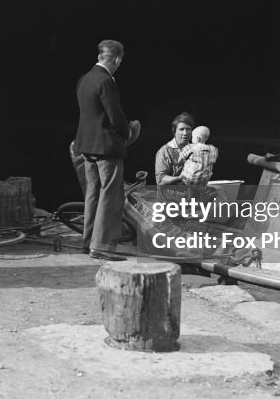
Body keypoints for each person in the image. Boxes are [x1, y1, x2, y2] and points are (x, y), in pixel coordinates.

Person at [73, 39, 139, 261]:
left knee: (92, 193)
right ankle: (101, 246)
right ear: (117, 59)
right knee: (111, 195)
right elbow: (115, 115)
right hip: (106, 147)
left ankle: (87, 241)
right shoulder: (106, 81)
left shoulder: (84, 79)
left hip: (86, 145)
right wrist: (127, 131)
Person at [154, 112, 195, 188]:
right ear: (174, 132)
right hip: (170, 195)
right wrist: (180, 178)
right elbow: (161, 179)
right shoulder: (164, 151)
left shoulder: (195, 149)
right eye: (181, 129)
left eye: (188, 129)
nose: (185, 133)